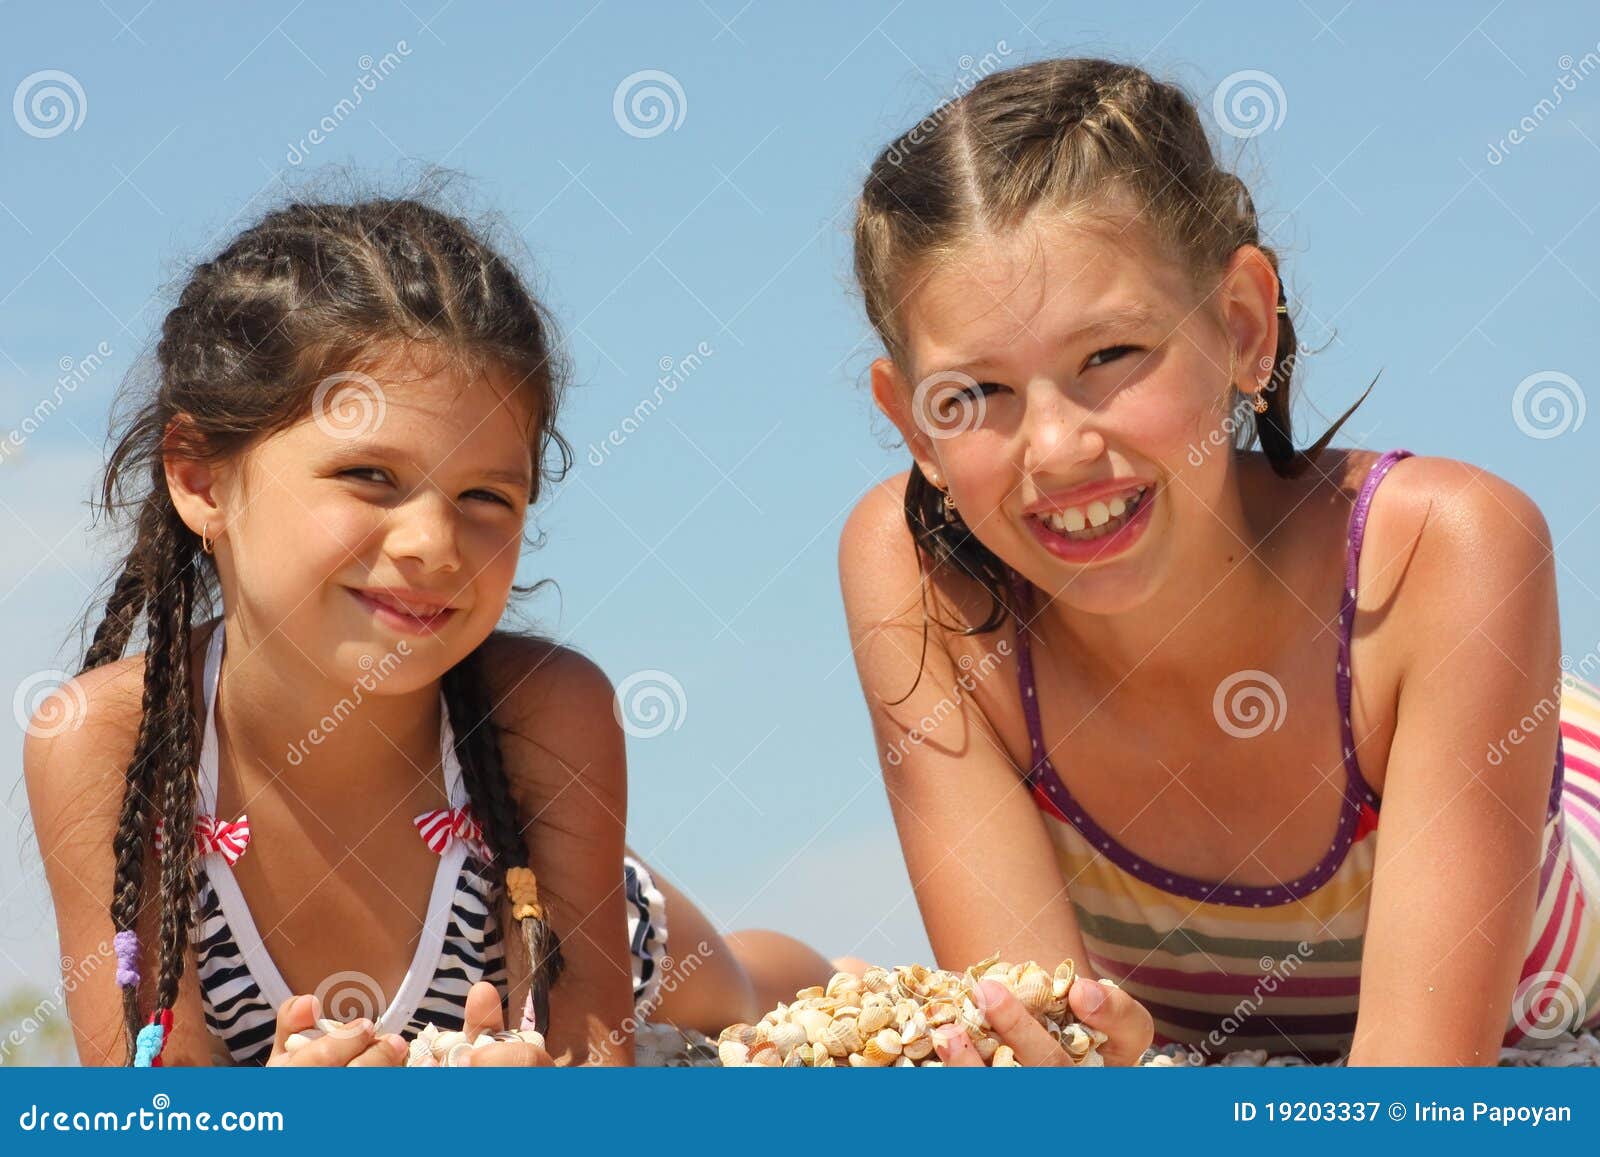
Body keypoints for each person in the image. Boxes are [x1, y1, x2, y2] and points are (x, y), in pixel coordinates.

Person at [840, 57, 1600, 1066]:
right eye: (974, 393)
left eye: (1109, 355)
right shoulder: (917, 581)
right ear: (913, 426)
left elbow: (1414, 1101)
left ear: (1242, 325)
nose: (1057, 447)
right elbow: (1043, 1064)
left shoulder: (1444, 552)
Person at [24, 194, 837, 1067]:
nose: (434, 545)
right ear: (200, 481)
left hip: (598, 928)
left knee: (760, 990)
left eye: (486, 496)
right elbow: (152, 1109)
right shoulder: (106, 744)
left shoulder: (543, 710)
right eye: (369, 475)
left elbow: (593, 1065)